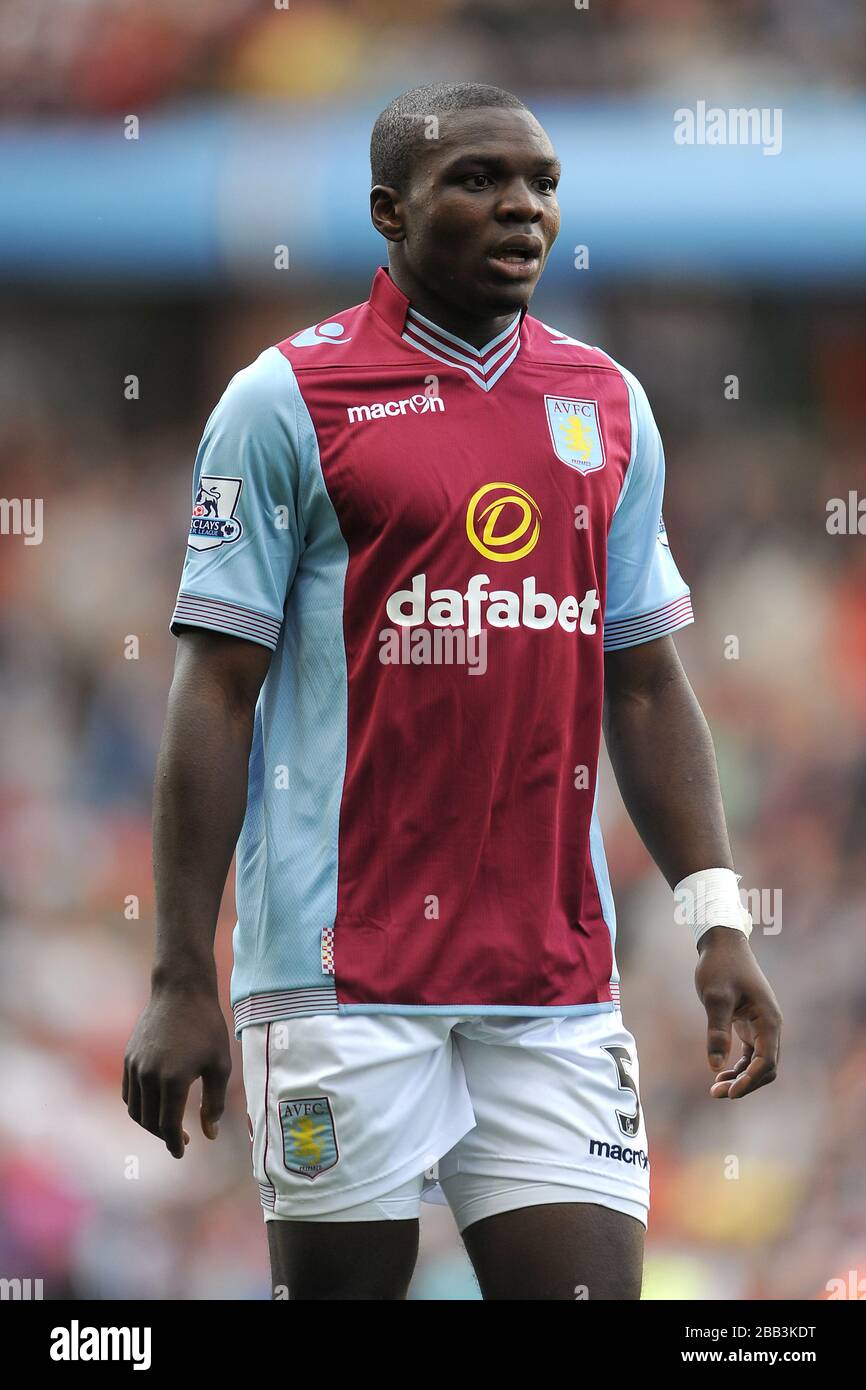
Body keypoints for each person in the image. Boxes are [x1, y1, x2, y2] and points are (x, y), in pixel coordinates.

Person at [123, 82, 782, 1300]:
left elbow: (640, 684)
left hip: (549, 982)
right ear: (389, 210)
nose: (521, 208)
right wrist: (177, 974)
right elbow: (213, 695)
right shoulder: (286, 400)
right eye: (478, 180)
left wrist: (716, 921)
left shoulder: (605, 404)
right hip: (342, 975)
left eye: (540, 183)